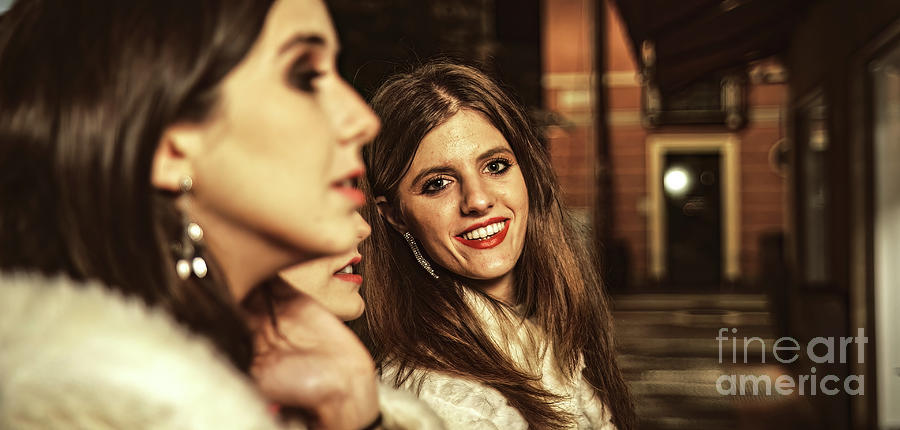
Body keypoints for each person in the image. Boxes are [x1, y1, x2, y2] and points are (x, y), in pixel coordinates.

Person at [0, 0, 389, 428]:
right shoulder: (81, 409)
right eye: (304, 76)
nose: (363, 120)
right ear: (170, 149)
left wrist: (349, 401)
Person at [358, 61, 636, 430]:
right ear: (395, 215)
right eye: (438, 183)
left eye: (496, 166)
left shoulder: (555, 336)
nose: (477, 199)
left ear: (527, 173)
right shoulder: (434, 399)